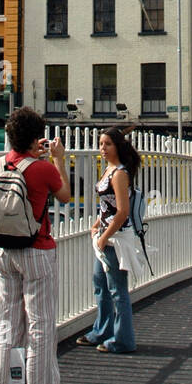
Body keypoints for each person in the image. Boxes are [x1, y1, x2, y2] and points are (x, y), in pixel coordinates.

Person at [0, 107, 71, 384]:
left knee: (8, 323)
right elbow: (64, 196)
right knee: (40, 324)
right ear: (37, 137)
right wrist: (59, 159)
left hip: (3, 251)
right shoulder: (42, 168)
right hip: (36, 250)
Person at [77, 128, 142, 353]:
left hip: (115, 238)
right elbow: (108, 206)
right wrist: (97, 224)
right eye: (101, 144)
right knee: (101, 285)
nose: (102, 148)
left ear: (118, 147)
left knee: (117, 289)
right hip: (105, 236)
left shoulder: (120, 174)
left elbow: (122, 211)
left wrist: (104, 235)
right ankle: (102, 331)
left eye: (107, 144)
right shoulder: (109, 170)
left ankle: (123, 339)